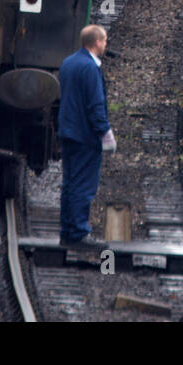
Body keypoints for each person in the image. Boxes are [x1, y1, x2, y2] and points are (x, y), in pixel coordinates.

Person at [58, 24, 117, 245]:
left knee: (70, 182)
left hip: (67, 131)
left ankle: (67, 229)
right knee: (83, 184)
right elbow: (95, 105)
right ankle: (78, 232)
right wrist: (105, 132)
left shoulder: (68, 62)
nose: (105, 45)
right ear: (97, 42)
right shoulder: (90, 69)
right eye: (105, 41)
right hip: (85, 135)